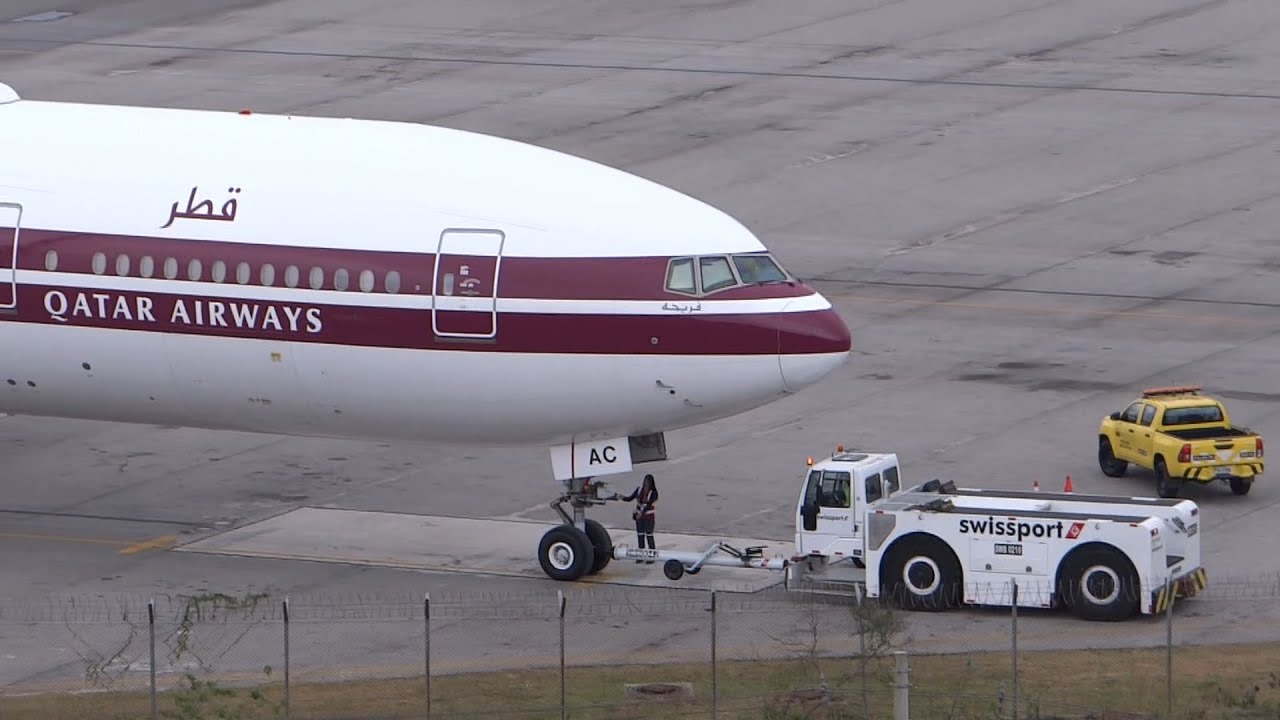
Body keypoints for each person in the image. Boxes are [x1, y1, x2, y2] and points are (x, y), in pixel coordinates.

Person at [623, 474, 658, 563]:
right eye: (645, 481)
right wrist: (621, 497)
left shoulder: (653, 493)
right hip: (639, 517)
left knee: (649, 536)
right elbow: (630, 498)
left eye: (648, 482)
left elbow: (648, 505)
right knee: (640, 535)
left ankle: (651, 556)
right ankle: (641, 555)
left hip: (649, 517)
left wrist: (641, 513)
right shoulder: (639, 490)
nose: (646, 484)